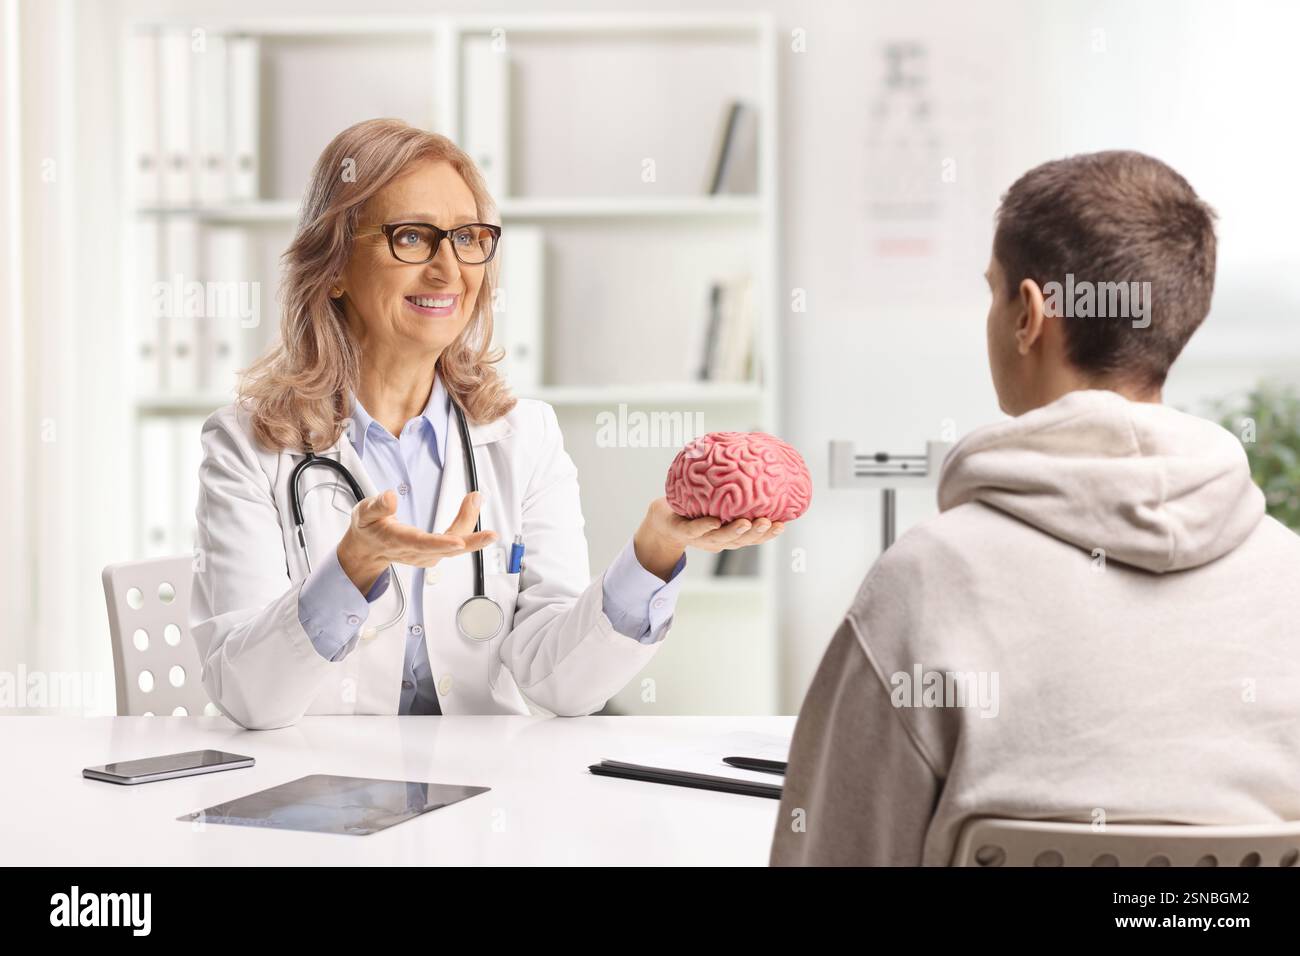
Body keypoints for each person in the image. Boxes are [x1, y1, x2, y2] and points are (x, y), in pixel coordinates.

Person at [771, 150, 1300, 865]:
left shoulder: (926, 583)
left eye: (993, 293)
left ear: (1030, 314)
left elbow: (833, 851)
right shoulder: (1287, 579)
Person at [191, 119, 784, 730]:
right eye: (413, 238)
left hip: (483, 797)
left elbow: (560, 683)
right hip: (312, 792)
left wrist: (657, 551)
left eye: (468, 238)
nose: (450, 270)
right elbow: (246, 698)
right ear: (335, 266)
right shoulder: (247, 444)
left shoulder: (524, 437)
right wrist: (352, 567)